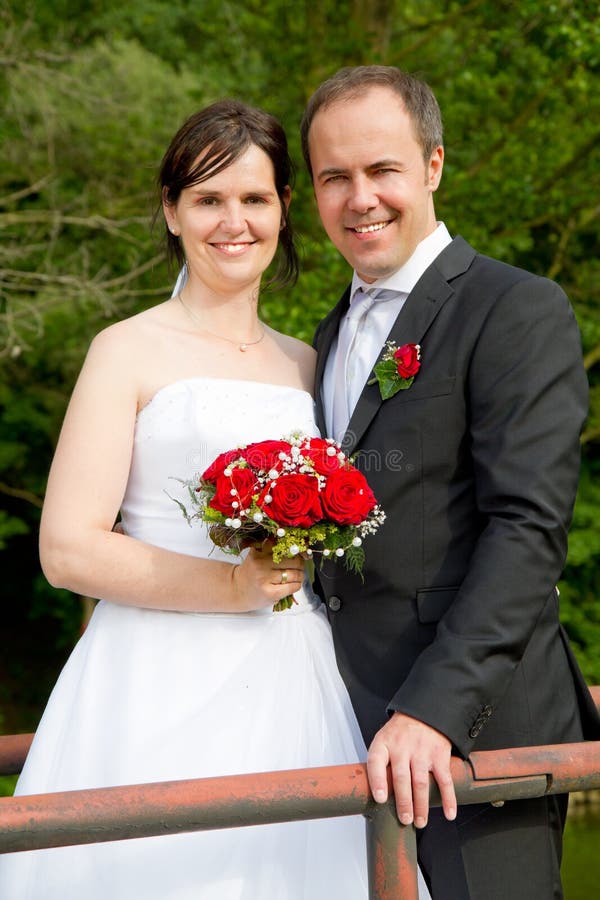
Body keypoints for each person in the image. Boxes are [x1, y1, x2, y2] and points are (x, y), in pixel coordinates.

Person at [0, 99, 435, 900]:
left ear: (283, 210)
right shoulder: (125, 349)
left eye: (254, 198)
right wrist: (231, 587)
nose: (232, 222)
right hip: (152, 680)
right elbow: (67, 549)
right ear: (172, 211)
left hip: (291, 680)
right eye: (207, 199)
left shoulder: (312, 361)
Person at [301, 65, 600, 899]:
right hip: (340, 724)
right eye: (335, 177)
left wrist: (434, 708)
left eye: (382, 170)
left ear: (433, 166)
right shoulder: (324, 336)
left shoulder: (515, 307)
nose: (361, 197)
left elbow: (527, 531)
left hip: (477, 735)